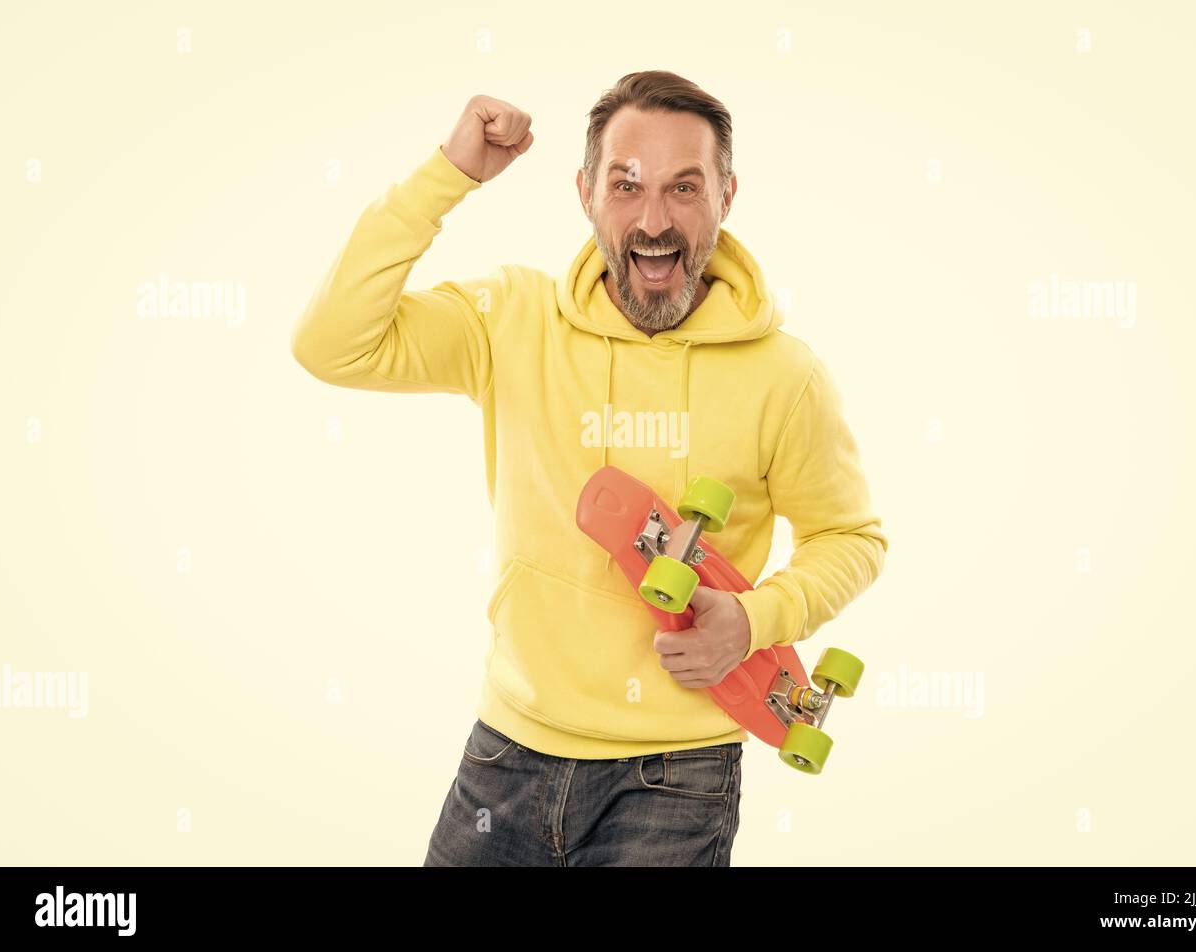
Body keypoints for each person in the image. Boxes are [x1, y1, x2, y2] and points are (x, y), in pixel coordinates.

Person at [291, 70, 887, 866]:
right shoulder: (512, 321)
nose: (653, 220)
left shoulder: (786, 376)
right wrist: (450, 173)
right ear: (583, 192)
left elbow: (851, 537)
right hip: (506, 753)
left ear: (727, 195)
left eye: (685, 187)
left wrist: (755, 620)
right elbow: (330, 343)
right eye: (625, 184)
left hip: (677, 779)